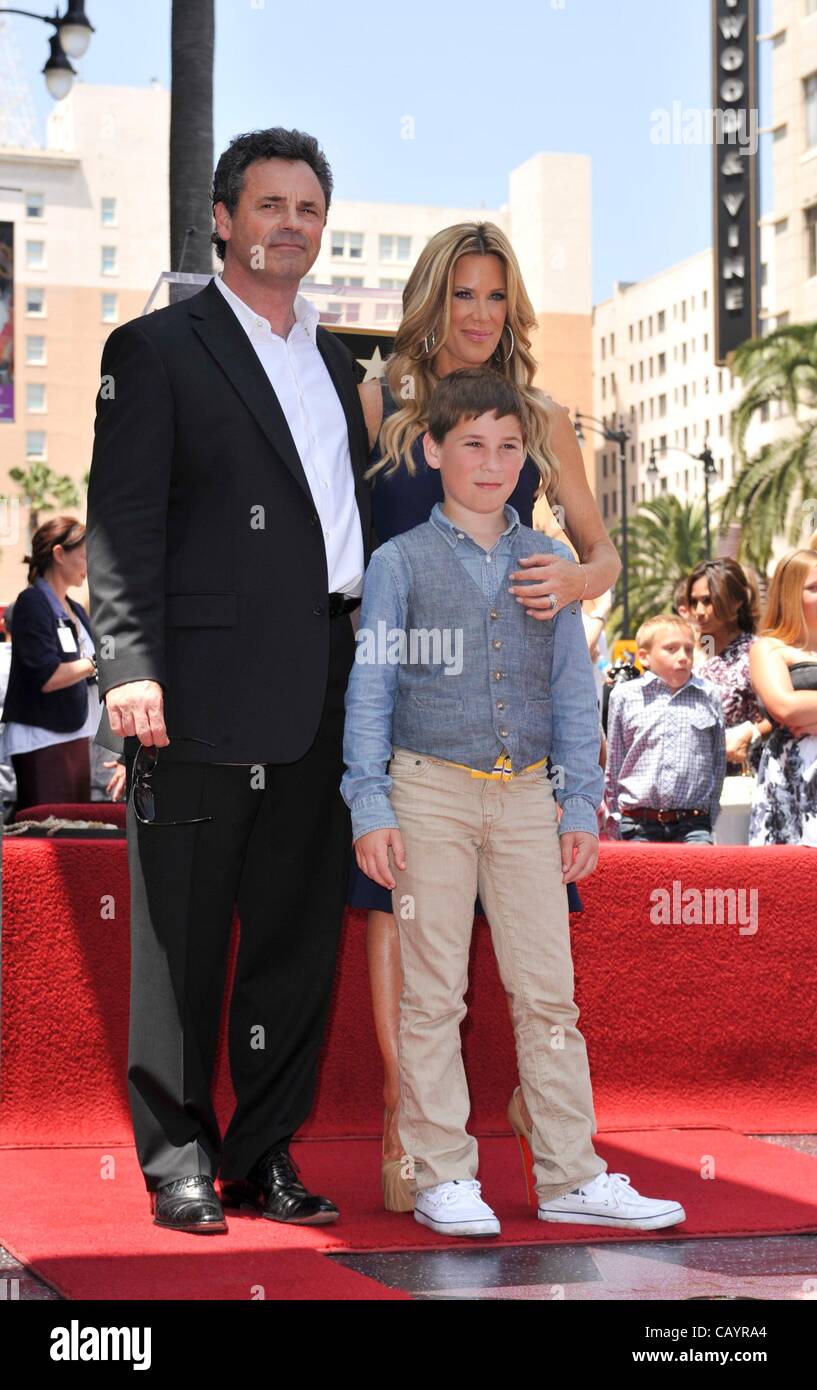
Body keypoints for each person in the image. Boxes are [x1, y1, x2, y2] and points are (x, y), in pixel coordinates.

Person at [86, 127, 375, 1234]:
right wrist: (127, 666)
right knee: (182, 940)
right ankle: (177, 1160)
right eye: (268, 206)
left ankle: (264, 1153)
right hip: (193, 691)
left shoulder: (337, 360)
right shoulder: (154, 349)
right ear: (222, 219)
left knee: (298, 943)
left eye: (307, 208)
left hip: (325, 687)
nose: (289, 225)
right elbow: (121, 524)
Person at [341, 367, 685, 1237]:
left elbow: (574, 695)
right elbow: (370, 688)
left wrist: (579, 806)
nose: (491, 464)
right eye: (471, 446)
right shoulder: (397, 563)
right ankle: (443, 1175)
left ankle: (571, 1172)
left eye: (506, 447)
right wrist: (369, 804)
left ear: (523, 459)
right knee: (432, 994)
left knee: (548, 993)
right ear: (433, 450)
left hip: (531, 799)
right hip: (426, 797)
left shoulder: (552, 566)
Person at [352, 221, 621, 1207]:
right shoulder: (377, 404)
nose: (477, 314)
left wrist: (575, 574)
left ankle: (550, 1143)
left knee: (532, 956)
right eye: (461, 293)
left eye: (494, 295)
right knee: (396, 915)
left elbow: (601, 554)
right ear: (432, 298)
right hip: (405, 700)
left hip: (516, 718)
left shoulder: (542, 418)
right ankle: (403, 1122)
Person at [0, 517, 125, 809]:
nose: (88, 565)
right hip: (42, 739)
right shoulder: (31, 603)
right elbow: (47, 676)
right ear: (58, 554)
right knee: (51, 827)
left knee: (74, 827)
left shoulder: (78, 610)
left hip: (77, 735)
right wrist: (96, 663)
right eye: (83, 556)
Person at [605, 614, 726, 844]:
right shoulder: (625, 696)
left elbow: (717, 762)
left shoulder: (709, 695)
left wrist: (709, 813)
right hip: (638, 823)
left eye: (689, 650)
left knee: (697, 879)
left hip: (693, 824)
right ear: (644, 656)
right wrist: (616, 815)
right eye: (671, 649)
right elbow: (615, 762)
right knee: (639, 880)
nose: (683, 657)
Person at [748, 550, 817, 845]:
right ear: (790, 595)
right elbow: (784, 707)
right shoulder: (769, 648)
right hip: (790, 779)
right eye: (814, 587)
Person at [687, 559, 767, 772]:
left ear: (736, 602)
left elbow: (781, 717)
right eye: (694, 602)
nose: (699, 611)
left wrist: (751, 733)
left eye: (708, 600)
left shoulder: (756, 652)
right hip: (693, 775)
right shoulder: (687, 649)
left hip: (743, 777)